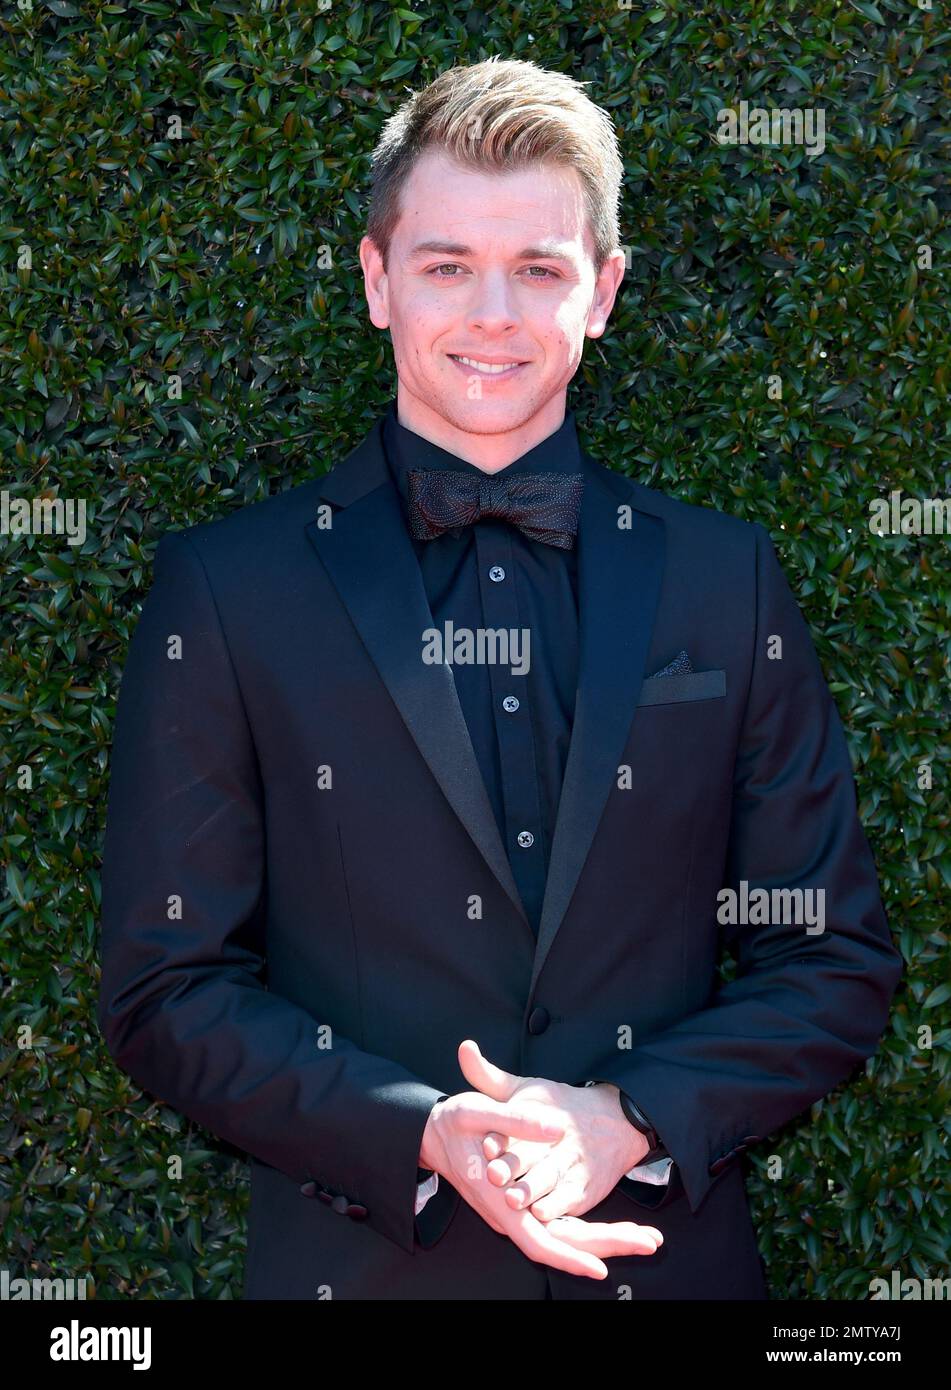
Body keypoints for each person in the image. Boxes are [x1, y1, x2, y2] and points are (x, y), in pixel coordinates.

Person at [98, 56, 902, 1300]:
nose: (492, 313)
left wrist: (628, 1116)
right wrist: (415, 1128)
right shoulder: (226, 590)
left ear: (604, 292)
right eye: (444, 264)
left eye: (539, 268)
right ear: (376, 283)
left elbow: (833, 958)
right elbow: (166, 986)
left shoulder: (728, 581)